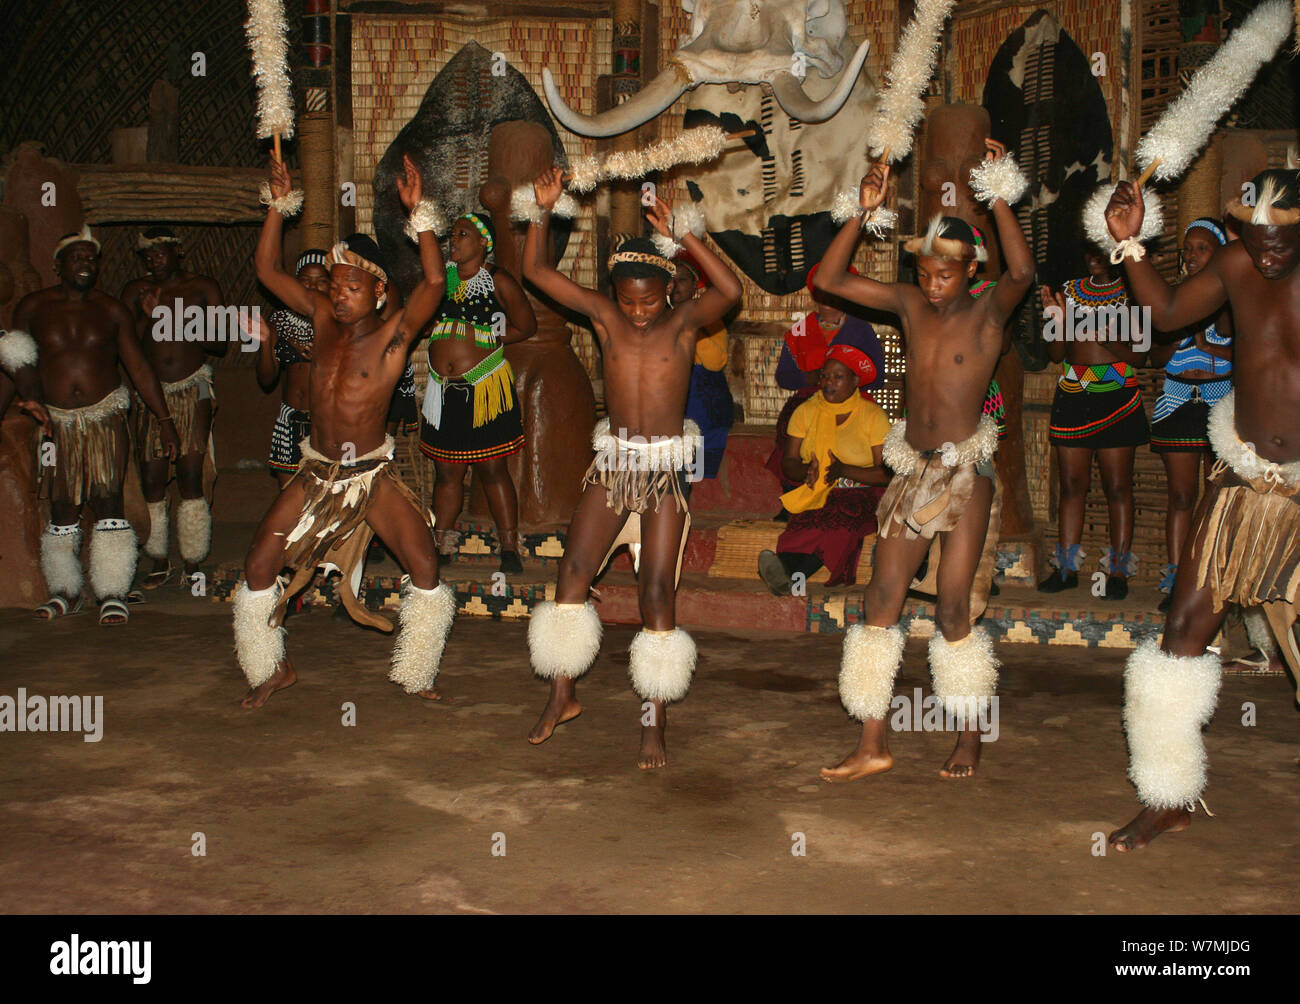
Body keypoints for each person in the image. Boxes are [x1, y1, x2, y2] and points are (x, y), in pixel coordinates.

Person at [814, 139, 1034, 782]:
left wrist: (994, 193)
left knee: (951, 608)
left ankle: (969, 735)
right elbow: (828, 281)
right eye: (925, 275)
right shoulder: (911, 306)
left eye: (946, 276)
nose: (932, 287)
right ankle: (872, 743)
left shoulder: (992, 311)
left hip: (967, 470)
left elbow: (1022, 275)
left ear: (970, 271)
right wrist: (862, 210)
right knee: (880, 598)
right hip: (913, 469)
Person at [1104, 169, 1300, 851]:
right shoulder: (1238, 263)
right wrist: (1131, 246)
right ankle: (1169, 796)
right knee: (1182, 629)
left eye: (1282, 241)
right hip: (1242, 479)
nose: (1268, 253)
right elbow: (1165, 313)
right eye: (1258, 238)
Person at [521, 167, 742, 768]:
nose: (638, 312)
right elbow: (536, 273)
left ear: (668, 290)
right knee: (572, 572)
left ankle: (653, 722)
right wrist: (543, 210)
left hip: (664, 476)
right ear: (614, 295)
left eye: (648, 300)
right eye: (628, 300)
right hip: (612, 467)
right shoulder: (604, 317)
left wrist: (683, 233)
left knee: (655, 596)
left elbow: (732, 291)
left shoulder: (685, 322)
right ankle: (562, 695)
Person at [235, 154, 455, 710]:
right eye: (334, 284)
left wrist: (420, 215)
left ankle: (418, 670)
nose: (337, 293)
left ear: (378, 291)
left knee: (424, 564)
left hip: (371, 475)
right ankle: (271, 667)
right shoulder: (322, 322)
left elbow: (433, 279)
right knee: (259, 562)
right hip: (315, 471)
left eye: (350, 285)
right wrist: (278, 206)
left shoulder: (392, 339)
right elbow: (267, 271)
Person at [0, 227, 178, 624]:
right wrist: (29, 396)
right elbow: (19, 358)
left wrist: (165, 420)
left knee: (108, 499)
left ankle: (112, 591)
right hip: (56, 422)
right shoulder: (32, 306)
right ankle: (65, 590)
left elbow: (138, 368)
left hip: (106, 415)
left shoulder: (110, 310)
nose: (86, 264)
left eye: (92, 258)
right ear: (58, 265)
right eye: (77, 257)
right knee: (63, 506)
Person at [420, 212, 537, 574]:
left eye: (463, 234)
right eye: (452, 234)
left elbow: (526, 324)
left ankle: (508, 546)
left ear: (483, 242)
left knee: (491, 468)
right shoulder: (441, 280)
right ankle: (441, 541)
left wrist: (491, 341)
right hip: (443, 390)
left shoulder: (497, 279)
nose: (453, 240)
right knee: (447, 472)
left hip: (484, 386)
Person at [1038, 247, 1150, 599]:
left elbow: (1140, 353)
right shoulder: (1069, 291)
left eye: (1102, 249)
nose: (1093, 256)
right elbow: (1056, 355)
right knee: (1072, 485)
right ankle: (1067, 567)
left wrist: (1102, 336)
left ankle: (1117, 571)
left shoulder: (1135, 293)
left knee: (1118, 486)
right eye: (1088, 248)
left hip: (1117, 395)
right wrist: (1057, 321)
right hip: (1073, 393)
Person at [121, 227, 226, 588]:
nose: (154, 262)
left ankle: (193, 560)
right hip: (152, 395)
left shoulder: (202, 287)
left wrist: (168, 314)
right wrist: (149, 315)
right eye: (148, 257)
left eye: (161, 254)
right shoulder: (136, 292)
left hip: (193, 388)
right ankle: (159, 559)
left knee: (191, 475)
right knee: (151, 478)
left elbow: (220, 340)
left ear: (177, 252)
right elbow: (126, 343)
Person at [1148, 218, 1232, 612]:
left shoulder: (1234, 298)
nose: (1194, 255)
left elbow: (1245, 354)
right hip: (1178, 400)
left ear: (1219, 253)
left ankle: (1215, 581)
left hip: (1220, 403)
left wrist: (1206, 343)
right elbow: (1158, 357)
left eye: (1202, 247)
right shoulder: (1171, 299)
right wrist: (1180, 322)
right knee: (1182, 496)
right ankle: (1177, 580)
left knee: (1217, 499)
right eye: (1189, 249)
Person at [758, 346, 890, 593]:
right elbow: (789, 462)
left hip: (863, 491)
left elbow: (885, 475)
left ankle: (788, 576)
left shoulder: (872, 415)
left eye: (838, 377)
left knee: (841, 523)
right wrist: (806, 471)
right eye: (825, 376)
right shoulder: (806, 411)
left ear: (855, 381)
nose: (829, 383)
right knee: (807, 522)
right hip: (817, 488)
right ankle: (787, 577)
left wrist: (843, 470)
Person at [766, 264, 885, 498]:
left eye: (836, 290)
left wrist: (846, 385)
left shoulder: (861, 330)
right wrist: (808, 377)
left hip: (852, 400)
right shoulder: (801, 329)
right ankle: (794, 489)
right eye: (823, 291)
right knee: (790, 433)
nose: (829, 297)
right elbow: (783, 376)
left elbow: (877, 376)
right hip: (808, 400)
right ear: (814, 293)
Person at [257, 249, 328, 487]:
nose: (313, 288)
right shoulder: (280, 321)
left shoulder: (338, 323)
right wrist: (266, 342)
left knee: (324, 494)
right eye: (305, 281)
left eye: (321, 282)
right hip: (289, 419)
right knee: (289, 495)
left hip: (326, 422)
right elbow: (267, 379)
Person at [671, 250, 734, 480]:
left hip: (700, 395)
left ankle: (691, 479)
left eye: (683, 280)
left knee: (697, 403)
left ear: (695, 285)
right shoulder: (657, 315)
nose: (675, 286)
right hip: (667, 393)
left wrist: (690, 327)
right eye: (670, 279)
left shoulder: (708, 318)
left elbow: (715, 362)